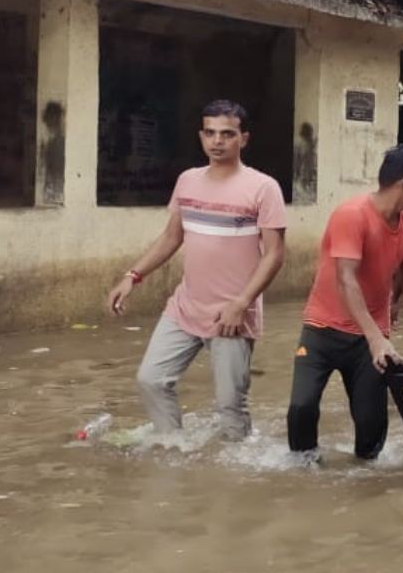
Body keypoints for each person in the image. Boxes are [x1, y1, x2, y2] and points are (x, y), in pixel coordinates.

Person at [107, 100, 286, 442]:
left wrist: (242, 302)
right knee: (151, 379)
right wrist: (132, 276)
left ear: (243, 139)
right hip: (185, 306)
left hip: (231, 313)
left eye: (227, 134)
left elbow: (275, 255)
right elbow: (172, 237)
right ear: (201, 136)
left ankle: (235, 479)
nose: (217, 141)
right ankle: (173, 447)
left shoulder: (263, 188)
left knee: (230, 407)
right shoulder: (188, 181)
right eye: (210, 133)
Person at [286, 145, 403, 461]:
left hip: (369, 339)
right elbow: (346, 279)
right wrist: (376, 339)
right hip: (322, 329)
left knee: (371, 424)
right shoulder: (351, 215)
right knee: (302, 406)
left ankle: (366, 485)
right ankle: (302, 472)